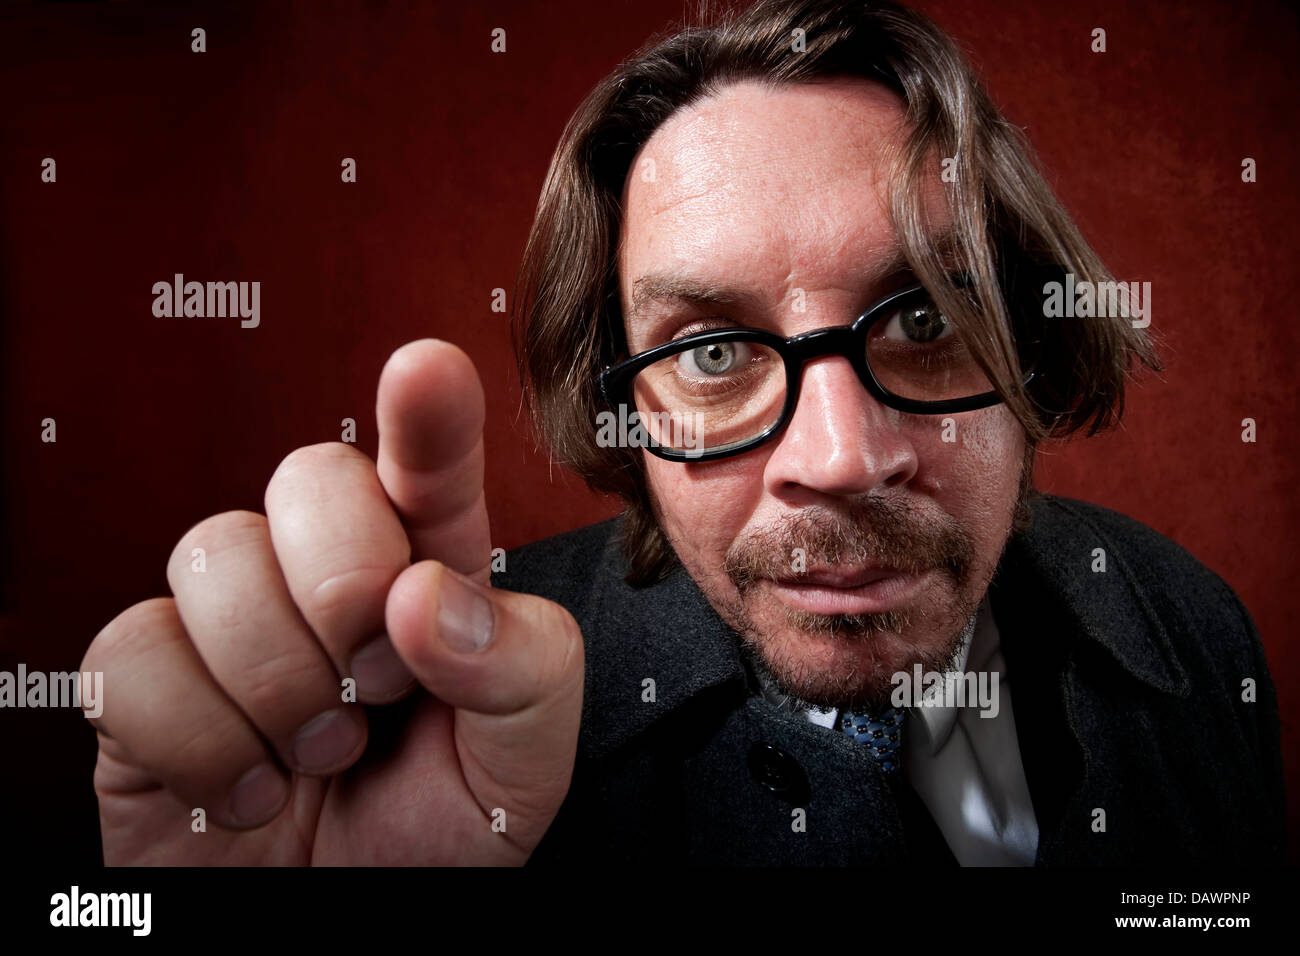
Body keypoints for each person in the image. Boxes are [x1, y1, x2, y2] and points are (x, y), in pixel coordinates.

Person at [82, 0, 1285, 866]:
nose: (839, 456)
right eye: (712, 352)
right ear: (624, 403)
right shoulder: (417, 729)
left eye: (923, 315)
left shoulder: (1189, 623)